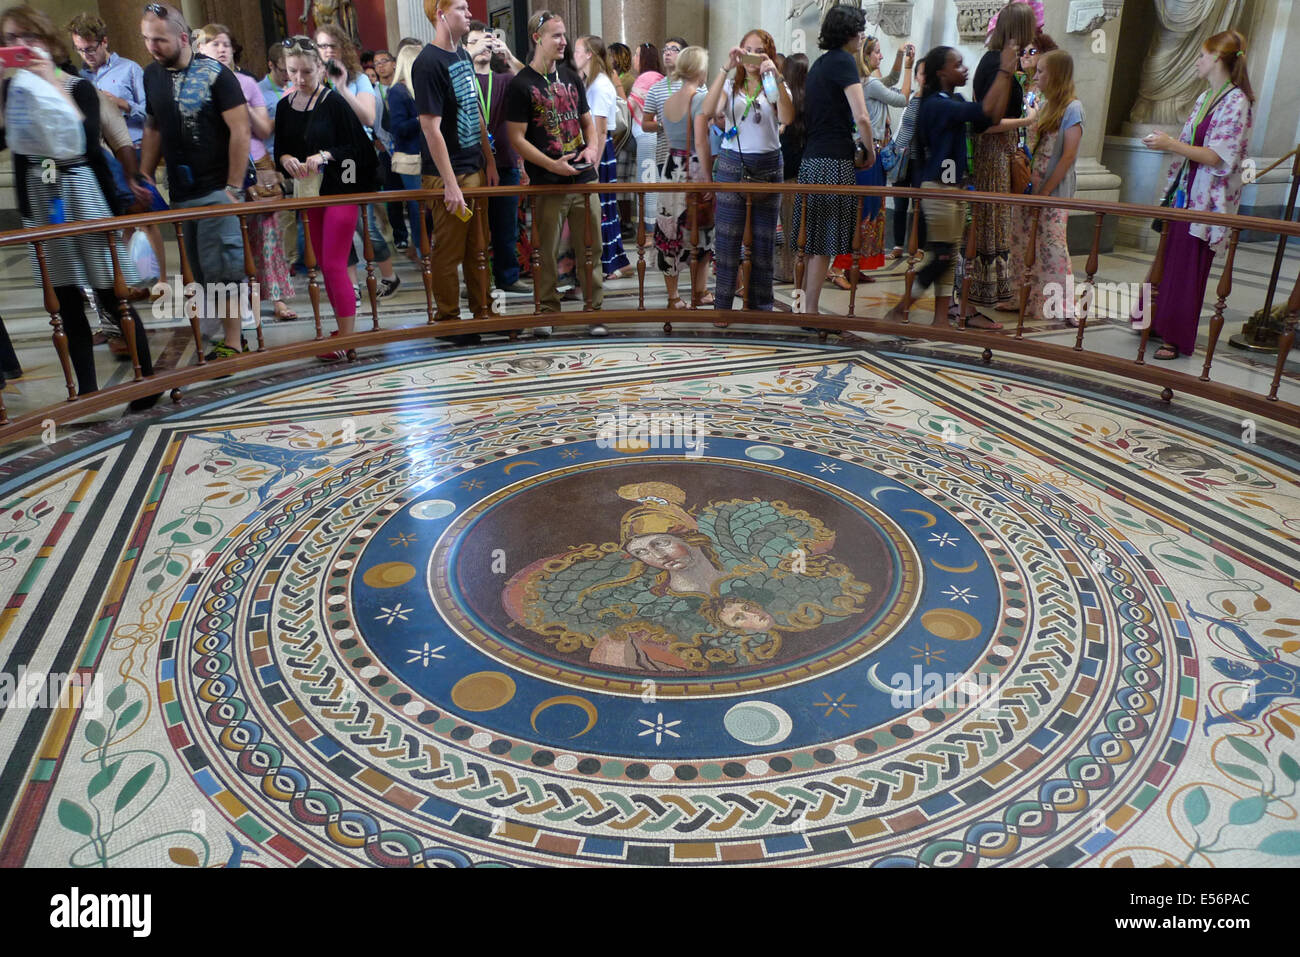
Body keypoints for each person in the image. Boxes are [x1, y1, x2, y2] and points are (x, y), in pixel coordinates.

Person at [1, 4, 157, 408]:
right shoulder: (10, 92)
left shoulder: (76, 87)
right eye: (11, 40)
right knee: (66, 297)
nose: (20, 46)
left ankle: (147, 381)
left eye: (28, 37)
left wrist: (46, 81)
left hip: (80, 191)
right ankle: (87, 392)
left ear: (48, 42)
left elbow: (84, 141)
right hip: (41, 194)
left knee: (110, 292)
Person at [135, 2, 249, 359]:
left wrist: (232, 186)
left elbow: (240, 130)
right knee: (200, 270)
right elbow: (153, 127)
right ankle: (217, 332)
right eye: (146, 39)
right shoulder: (151, 75)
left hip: (216, 188)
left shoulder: (216, 74)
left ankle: (233, 340)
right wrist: (145, 173)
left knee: (224, 268)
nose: (152, 47)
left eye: (159, 40)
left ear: (183, 37)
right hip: (181, 193)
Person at [883, 42, 1019, 327]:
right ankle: (901, 309)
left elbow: (990, 116)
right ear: (942, 72)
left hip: (952, 189)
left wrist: (1007, 74)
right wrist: (1005, 71)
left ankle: (941, 319)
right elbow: (984, 111)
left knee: (947, 257)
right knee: (943, 256)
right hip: (939, 190)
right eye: (957, 64)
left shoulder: (951, 100)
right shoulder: (937, 105)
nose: (965, 68)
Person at [1140, 29, 1254, 360]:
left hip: (1207, 199)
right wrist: (1169, 141)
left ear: (1218, 59)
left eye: (1202, 56)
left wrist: (1171, 144)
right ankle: (1154, 321)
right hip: (1185, 192)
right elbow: (1193, 145)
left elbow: (1218, 156)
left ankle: (1175, 336)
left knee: (1188, 266)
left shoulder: (1237, 102)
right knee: (1170, 257)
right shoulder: (1205, 98)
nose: (1196, 61)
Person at [274, 36, 377, 361]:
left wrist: (325, 154)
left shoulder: (333, 102)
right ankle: (341, 332)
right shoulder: (284, 105)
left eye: (306, 72)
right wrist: (287, 158)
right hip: (310, 192)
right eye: (293, 72)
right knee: (322, 265)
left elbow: (359, 148)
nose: (300, 79)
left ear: (320, 68)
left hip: (340, 189)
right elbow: (281, 149)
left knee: (334, 264)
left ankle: (346, 338)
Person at [504, 10, 606, 335]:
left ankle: (594, 311)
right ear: (537, 38)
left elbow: (588, 122)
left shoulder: (571, 77)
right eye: (556, 36)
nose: (563, 42)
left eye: (564, 35)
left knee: (591, 247)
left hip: (583, 179)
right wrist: (551, 165)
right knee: (546, 251)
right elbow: (516, 138)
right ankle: (548, 312)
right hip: (547, 181)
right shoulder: (521, 84)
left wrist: (591, 150)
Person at [196, 25, 296, 325]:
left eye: (226, 43)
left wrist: (237, 97)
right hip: (220, 168)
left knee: (267, 237)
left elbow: (265, 129)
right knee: (232, 239)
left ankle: (277, 299)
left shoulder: (246, 82)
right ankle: (244, 301)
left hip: (258, 164)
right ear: (199, 49)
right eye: (214, 44)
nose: (222, 49)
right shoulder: (196, 84)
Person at [413, 0, 497, 342]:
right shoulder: (427, 62)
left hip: (472, 166)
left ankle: (483, 312)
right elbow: (431, 129)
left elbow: (475, 108)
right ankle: (448, 319)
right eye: (460, 8)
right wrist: (450, 184)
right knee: (448, 251)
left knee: (479, 245)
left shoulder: (462, 55)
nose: (467, 13)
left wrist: (489, 160)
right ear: (441, 13)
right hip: (446, 174)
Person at [698, 29, 793, 319]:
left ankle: (760, 306)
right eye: (747, 49)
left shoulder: (774, 84)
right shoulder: (730, 84)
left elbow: (787, 117)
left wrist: (775, 73)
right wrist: (725, 67)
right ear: (740, 52)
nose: (752, 56)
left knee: (764, 241)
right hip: (732, 165)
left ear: (769, 54)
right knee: (727, 240)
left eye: (759, 50)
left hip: (768, 165)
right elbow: (707, 109)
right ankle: (723, 307)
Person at [68, 13, 167, 285]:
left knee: (145, 218)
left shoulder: (130, 69)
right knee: (119, 220)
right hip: (104, 155)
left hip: (132, 150)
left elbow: (150, 113)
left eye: (90, 48)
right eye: (79, 49)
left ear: (104, 42)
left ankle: (162, 280)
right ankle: (132, 278)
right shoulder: (78, 78)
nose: (85, 54)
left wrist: (120, 103)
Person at [793, 5, 876, 318]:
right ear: (849, 33)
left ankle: (802, 308)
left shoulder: (820, 64)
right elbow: (862, 117)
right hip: (832, 161)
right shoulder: (843, 61)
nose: (862, 37)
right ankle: (810, 312)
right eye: (859, 30)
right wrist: (869, 152)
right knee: (823, 243)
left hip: (812, 159)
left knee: (811, 243)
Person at [316, 23, 401, 301]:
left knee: (362, 222)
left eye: (332, 45)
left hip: (353, 157)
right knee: (335, 223)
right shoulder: (312, 77)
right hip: (322, 159)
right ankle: (351, 284)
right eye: (321, 46)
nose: (327, 51)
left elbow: (366, 117)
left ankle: (389, 275)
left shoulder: (357, 79)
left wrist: (341, 87)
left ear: (342, 48)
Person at [965, 1, 1037, 325]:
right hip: (992, 153)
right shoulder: (996, 64)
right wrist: (1026, 121)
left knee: (993, 225)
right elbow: (986, 122)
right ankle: (969, 302)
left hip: (1000, 152)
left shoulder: (1001, 62)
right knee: (985, 226)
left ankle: (978, 299)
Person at [1006, 50, 1081, 324]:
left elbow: (1068, 155)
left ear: (1056, 74)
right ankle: (1024, 297)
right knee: (1023, 240)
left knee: (1052, 246)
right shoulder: (1044, 104)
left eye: (1041, 72)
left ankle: (1061, 304)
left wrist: (1047, 191)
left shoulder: (1073, 108)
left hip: (1053, 188)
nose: (1035, 76)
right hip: (1032, 184)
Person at [831, 36, 914, 285]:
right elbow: (902, 98)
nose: (881, 56)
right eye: (877, 53)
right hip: (866, 153)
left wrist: (900, 57)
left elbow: (888, 81)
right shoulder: (868, 84)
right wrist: (909, 67)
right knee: (862, 211)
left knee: (873, 211)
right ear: (865, 57)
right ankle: (839, 267)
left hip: (873, 153)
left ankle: (855, 266)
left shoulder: (867, 82)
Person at [462, 23, 528, 294]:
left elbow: (531, 83)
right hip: (471, 164)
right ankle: (477, 280)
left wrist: (510, 57)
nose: (483, 47)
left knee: (506, 226)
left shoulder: (504, 79)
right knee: (475, 229)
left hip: (506, 163)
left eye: (487, 41)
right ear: (465, 48)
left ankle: (508, 276)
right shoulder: (463, 80)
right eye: (475, 41)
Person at [652, 45, 714, 309]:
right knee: (700, 231)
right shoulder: (699, 98)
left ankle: (674, 296)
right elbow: (700, 141)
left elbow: (669, 136)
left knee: (670, 232)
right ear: (700, 69)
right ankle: (699, 292)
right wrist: (709, 178)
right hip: (693, 168)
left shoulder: (667, 101)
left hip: (670, 168)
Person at [575, 35, 631, 281]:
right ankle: (614, 260)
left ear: (588, 54)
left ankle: (610, 262)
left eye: (576, 50)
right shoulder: (594, 82)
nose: (572, 55)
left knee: (603, 209)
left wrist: (593, 167)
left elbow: (599, 128)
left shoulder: (599, 85)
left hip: (598, 150)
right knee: (606, 208)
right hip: (599, 148)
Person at [888, 58, 926, 258]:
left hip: (921, 159)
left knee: (919, 203)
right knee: (900, 202)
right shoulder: (910, 96)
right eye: (921, 73)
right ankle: (897, 245)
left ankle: (919, 247)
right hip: (903, 157)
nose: (924, 77)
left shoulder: (932, 100)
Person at [775, 52, 808, 285]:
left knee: (787, 227)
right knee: (801, 228)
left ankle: (786, 270)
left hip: (784, 169)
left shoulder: (783, 99)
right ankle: (799, 271)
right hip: (803, 170)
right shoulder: (810, 100)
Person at [628, 43, 664, 229]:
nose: (634, 58)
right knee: (652, 180)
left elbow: (631, 105)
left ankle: (650, 228)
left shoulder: (646, 78)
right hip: (654, 136)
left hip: (647, 137)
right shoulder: (659, 77)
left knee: (648, 182)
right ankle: (654, 227)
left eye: (636, 54)